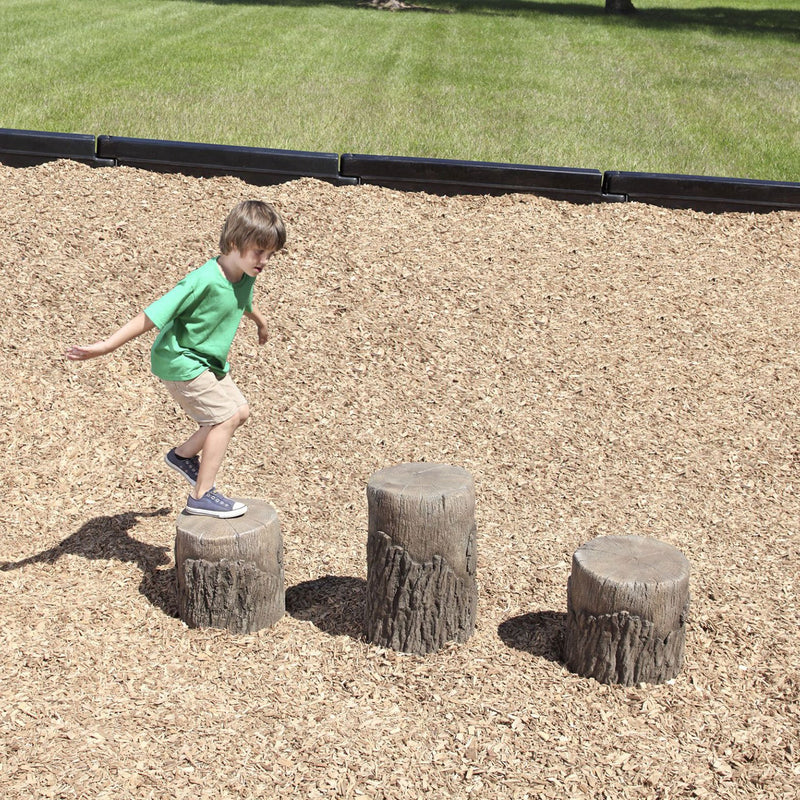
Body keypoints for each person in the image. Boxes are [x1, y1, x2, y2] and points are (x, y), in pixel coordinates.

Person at [65, 200, 286, 519]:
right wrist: (105, 346)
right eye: (259, 253)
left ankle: (182, 456)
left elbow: (243, 300)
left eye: (270, 255)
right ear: (236, 243)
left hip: (205, 361)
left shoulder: (245, 273)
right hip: (180, 360)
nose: (264, 261)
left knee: (239, 411)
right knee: (223, 417)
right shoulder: (203, 279)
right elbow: (154, 314)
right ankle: (201, 495)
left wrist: (261, 322)